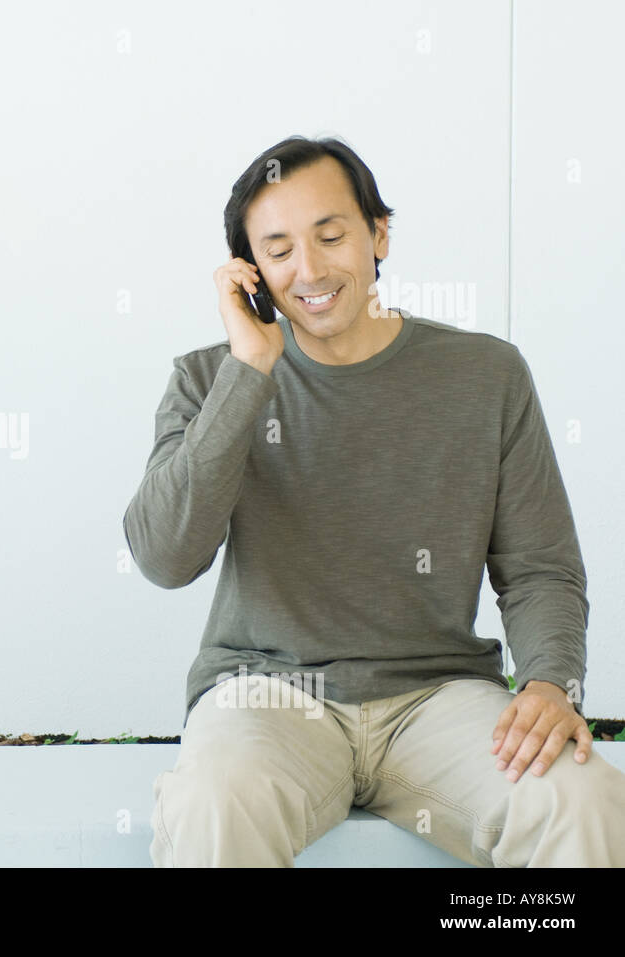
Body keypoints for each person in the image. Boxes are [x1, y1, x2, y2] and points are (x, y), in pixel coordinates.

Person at [124, 135, 625, 867]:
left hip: (440, 697)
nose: (311, 269)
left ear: (377, 235)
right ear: (251, 273)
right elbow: (164, 556)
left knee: (581, 800)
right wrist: (250, 371)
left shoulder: (486, 374)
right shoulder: (211, 380)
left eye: (331, 235)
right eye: (280, 250)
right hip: (266, 691)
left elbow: (542, 566)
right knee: (213, 802)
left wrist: (550, 681)